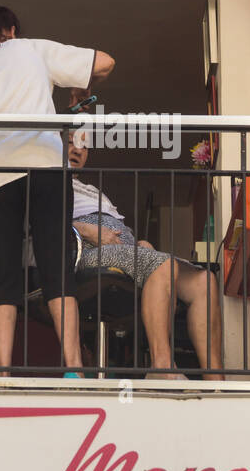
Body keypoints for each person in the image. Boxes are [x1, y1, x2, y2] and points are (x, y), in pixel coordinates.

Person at [0, 0, 113, 377]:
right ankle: (74, 367)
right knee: (57, 267)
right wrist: (79, 89)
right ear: (11, 30)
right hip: (44, 163)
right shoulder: (31, 49)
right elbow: (105, 62)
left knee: (3, 273)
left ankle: (2, 372)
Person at [66, 137, 223, 381]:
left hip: (120, 249)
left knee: (205, 281)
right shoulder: (47, 181)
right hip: (84, 251)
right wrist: (87, 230)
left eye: (84, 146)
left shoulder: (92, 190)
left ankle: (216, 382)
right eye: (69, 142)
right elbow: (42, 225)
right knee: (161, 265)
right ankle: (161, 366)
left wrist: (139, 243)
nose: (77, 149)